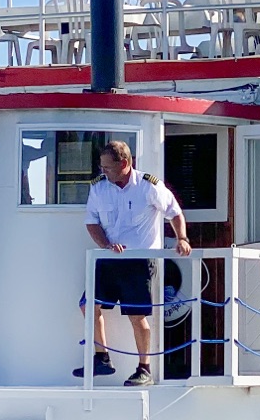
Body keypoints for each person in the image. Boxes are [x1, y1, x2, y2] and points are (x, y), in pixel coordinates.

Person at [79, 141, 191, 387]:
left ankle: (144, 368)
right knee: (89, 306)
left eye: (108, 167)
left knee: (137, 316)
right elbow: (92, 222)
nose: (103, 172)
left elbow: (174, 212)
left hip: (139, 262)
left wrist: (182, 238)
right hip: (109, 259)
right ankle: (102, 358)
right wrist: (105, 245)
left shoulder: (148, 186)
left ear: (125, 164)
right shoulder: (99, 188)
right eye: (102, 167)